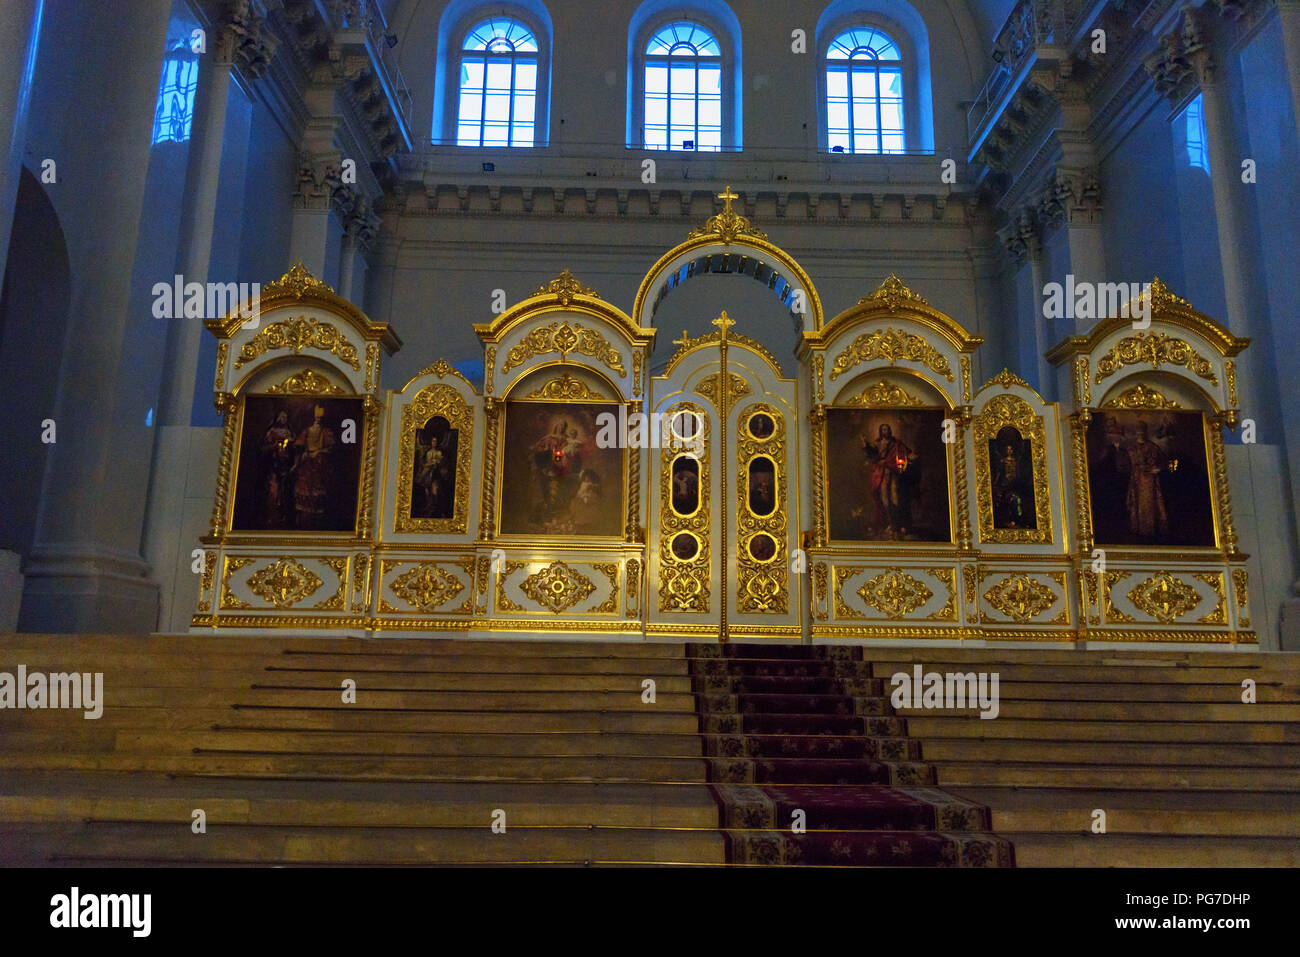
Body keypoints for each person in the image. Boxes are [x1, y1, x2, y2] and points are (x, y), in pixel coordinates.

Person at [862, 423, 916, 538]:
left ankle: (899, 524)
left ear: (889, 430)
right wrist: (865, 443)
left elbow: (907, 452)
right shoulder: (878, 443)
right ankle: (891, 523)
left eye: (886, 429)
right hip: (881, 472)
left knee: (895, 496)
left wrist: (911, 458)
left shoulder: (896, 443)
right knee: (884, 498)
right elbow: (872, 454)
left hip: (893, 472)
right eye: (883, 429)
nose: (885, 431)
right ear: (881, 431)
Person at [292, 405, 336, 529]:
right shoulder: (307, 431)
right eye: (316, 417)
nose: (318, 420)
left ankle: (316, 524)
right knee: (304, 491)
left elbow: (330, 448)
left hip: (319, 463)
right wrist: (303, 454)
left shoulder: (326, 432)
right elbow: (298, 445)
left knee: (317, 493)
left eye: (320, 418)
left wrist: (318, 452)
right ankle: (303, 523)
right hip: (307, 463)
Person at [1125, 421, 1169, 540]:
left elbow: (1164, 463)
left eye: (1142, 430)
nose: (1140, 433)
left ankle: (1152, 531)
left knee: (1153, 504)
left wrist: (1158, 469)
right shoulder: (1131, 448)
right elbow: (1124, 466)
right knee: (1137, 504)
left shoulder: (1154, 447)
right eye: (1138, 430)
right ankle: (1137, 530)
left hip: (1151, 481)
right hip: (1137, 480)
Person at [260, 409, 295, 528]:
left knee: (285, 490)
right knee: (273, 490)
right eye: (281, 417)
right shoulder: (272, 432)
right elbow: (264, 449)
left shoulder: (289, 433)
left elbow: (293, 447)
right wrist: (274, 447)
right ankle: (272, 515)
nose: (283, 419)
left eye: (285, 417)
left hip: (286, 465)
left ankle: (284, 516)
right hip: (274, 464)